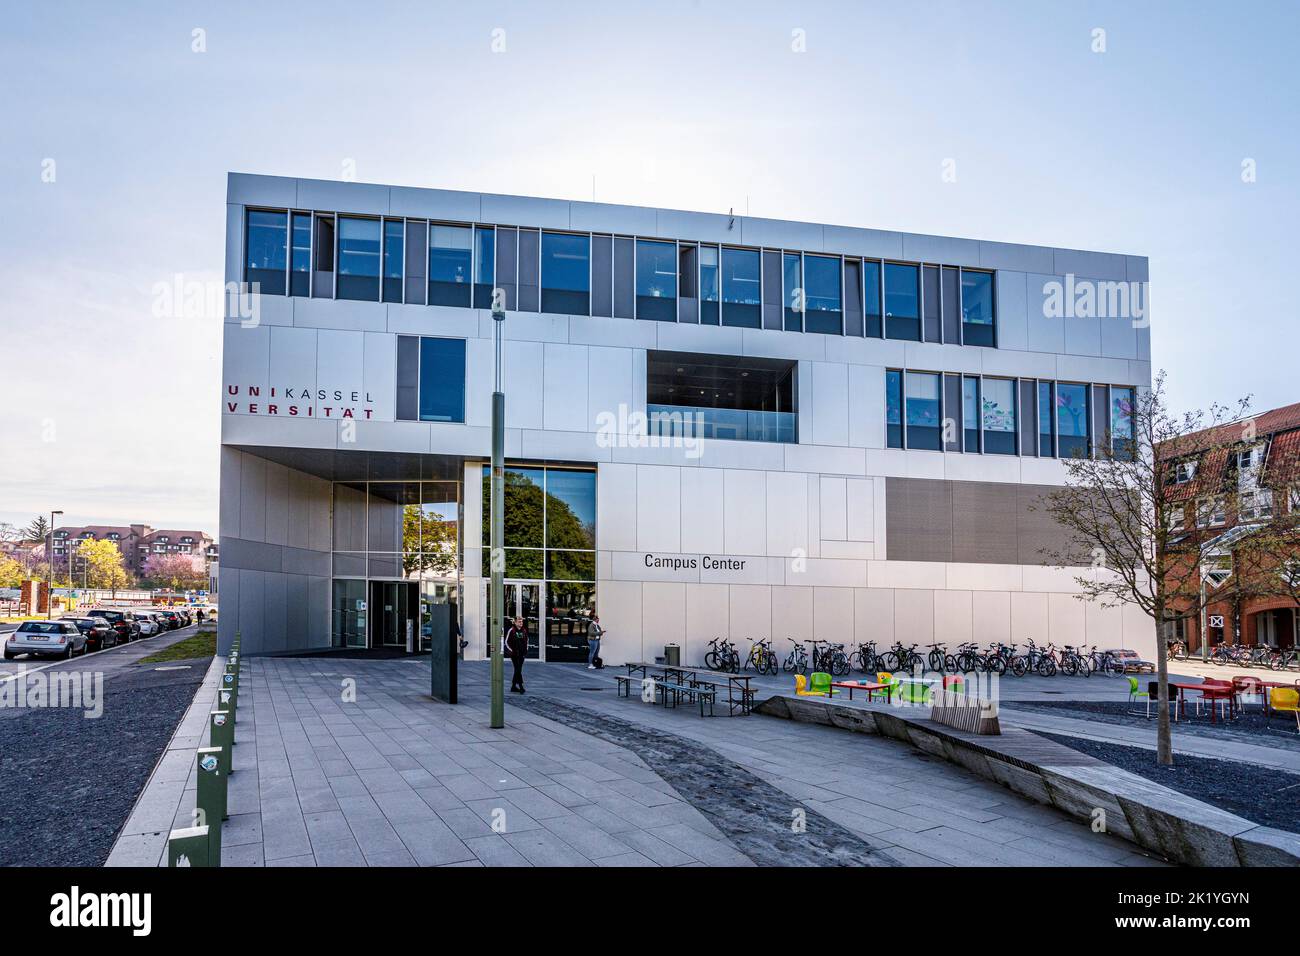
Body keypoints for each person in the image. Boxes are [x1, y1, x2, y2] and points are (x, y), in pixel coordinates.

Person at [506, 615, 528, 693]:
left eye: (522, 621)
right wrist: (512, 651)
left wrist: (525, 651)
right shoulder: (511, 630)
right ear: (515, 622)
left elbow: (526, 641)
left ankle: (513, 686)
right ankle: (521, 687)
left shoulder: (524, 631)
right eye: (519, 621)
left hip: (522, 654)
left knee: (518, 670)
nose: (521, 623)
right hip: (514, 654)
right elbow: (506, 642)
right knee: (518, 669)